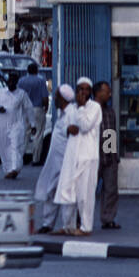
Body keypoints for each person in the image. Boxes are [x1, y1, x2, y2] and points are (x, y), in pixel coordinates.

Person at [55, 77, 102, 236]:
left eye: (86, 89)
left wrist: (81, 109)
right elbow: (62, 127)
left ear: (90, 92)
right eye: (80, 89)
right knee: (67, 191)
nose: (83, 92)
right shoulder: (71, 108)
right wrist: (68, 129)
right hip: (72, 155)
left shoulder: (94, 107)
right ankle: (67, 225)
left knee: (85, 194)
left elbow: (85, 125)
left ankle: (85, 227)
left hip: (88, 157)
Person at [34, 84, 74, 234]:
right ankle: (47, 223)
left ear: (63, 98)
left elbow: (74, 134)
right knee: (50, 191)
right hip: (54, 162)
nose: (54, 98)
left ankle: (68, 225)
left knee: (66, 193)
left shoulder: (72, 114)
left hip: (66, 161)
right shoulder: (62, 113)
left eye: (56, 96)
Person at [0, 71, 35, 179]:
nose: (10, 83)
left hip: (16, 125)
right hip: (2, 126)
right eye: (9, 81)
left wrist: (33, 124)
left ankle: (15, 169)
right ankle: (8, 169)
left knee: (15, 147)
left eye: (13, 81)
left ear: (16, 82)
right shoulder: (0, 93)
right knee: (4, 148)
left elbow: (29, 109)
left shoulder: (22, 94)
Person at [95, 80, 121, 229]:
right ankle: (80, 219)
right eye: (107, 92)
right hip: (93, 155)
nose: (110, 94)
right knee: (87, 189)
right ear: (98, 93)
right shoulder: (90, 109)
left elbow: (111, 132)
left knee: (111, 189)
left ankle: (108, 218)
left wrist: (113, 155)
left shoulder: (110, 111)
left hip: (108, 155)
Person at [17, 61, 49, 155]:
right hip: (37, 108)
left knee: (25, 133)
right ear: (37, 71)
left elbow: (18, 96)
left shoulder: (21, 81)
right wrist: (46, 106)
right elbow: (45, 97)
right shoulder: (41, 81)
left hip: (25, 110)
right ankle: (35, 158)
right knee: (38, 134)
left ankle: (21, 155)